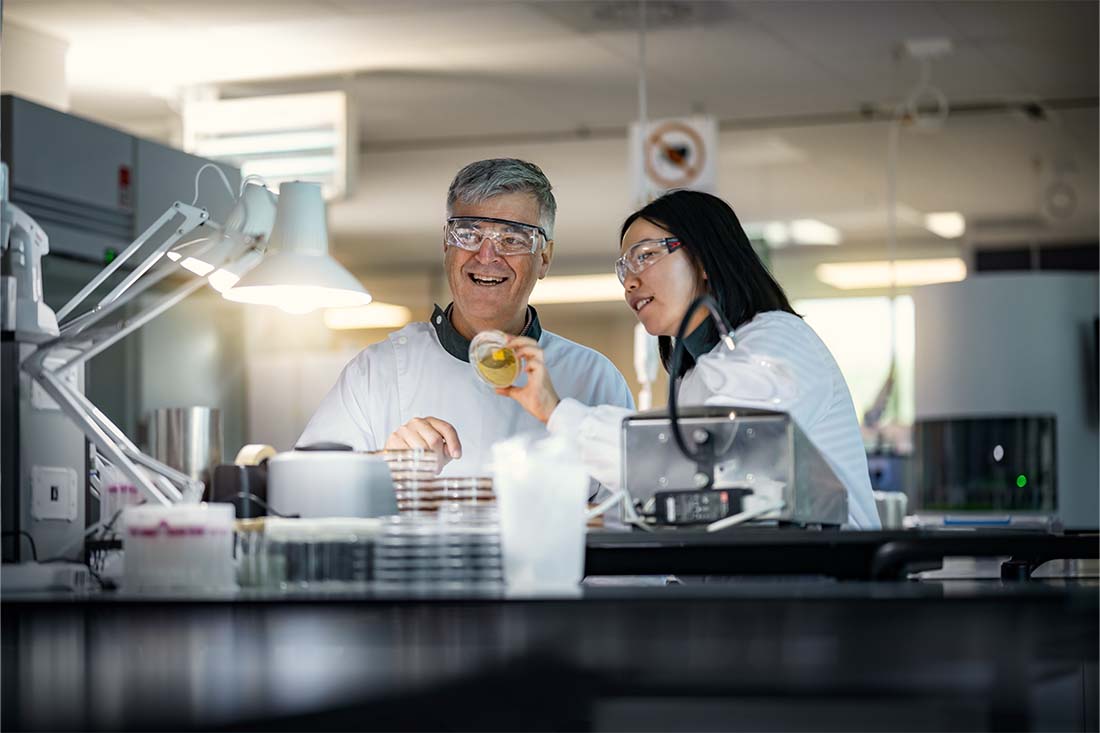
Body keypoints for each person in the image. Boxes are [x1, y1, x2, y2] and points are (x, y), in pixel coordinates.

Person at [498, 189, 880, 528]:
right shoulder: (692, 375)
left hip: (827, 577)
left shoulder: (777, 340)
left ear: (704, 259)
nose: (629, 281)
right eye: (624, 268)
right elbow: (680, 496)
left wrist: (557, 411)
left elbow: (712, 463)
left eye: (645, 256)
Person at [298, 158, 634, 477]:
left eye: (511, 239)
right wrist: (381, 465)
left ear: (544, 258)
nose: (486, 256)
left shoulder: (594, 378)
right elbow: (303, 488)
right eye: (469, 234)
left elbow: (638, 502)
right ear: (446, 245)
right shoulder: (376, 372)